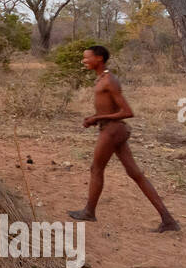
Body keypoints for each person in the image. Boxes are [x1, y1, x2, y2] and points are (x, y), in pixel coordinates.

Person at [68, 45, 180, 233]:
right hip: (112, 129)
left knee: (96, 169)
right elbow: (109, 110)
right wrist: (96, 118)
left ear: (99, 58)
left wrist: (97, 118)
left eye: (87, 58)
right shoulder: (102, 79)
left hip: (112, 131)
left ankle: (89, 211)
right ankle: (168, 220)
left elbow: (127, 112)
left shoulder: (109, 81)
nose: (84, 61)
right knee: (135, 174)